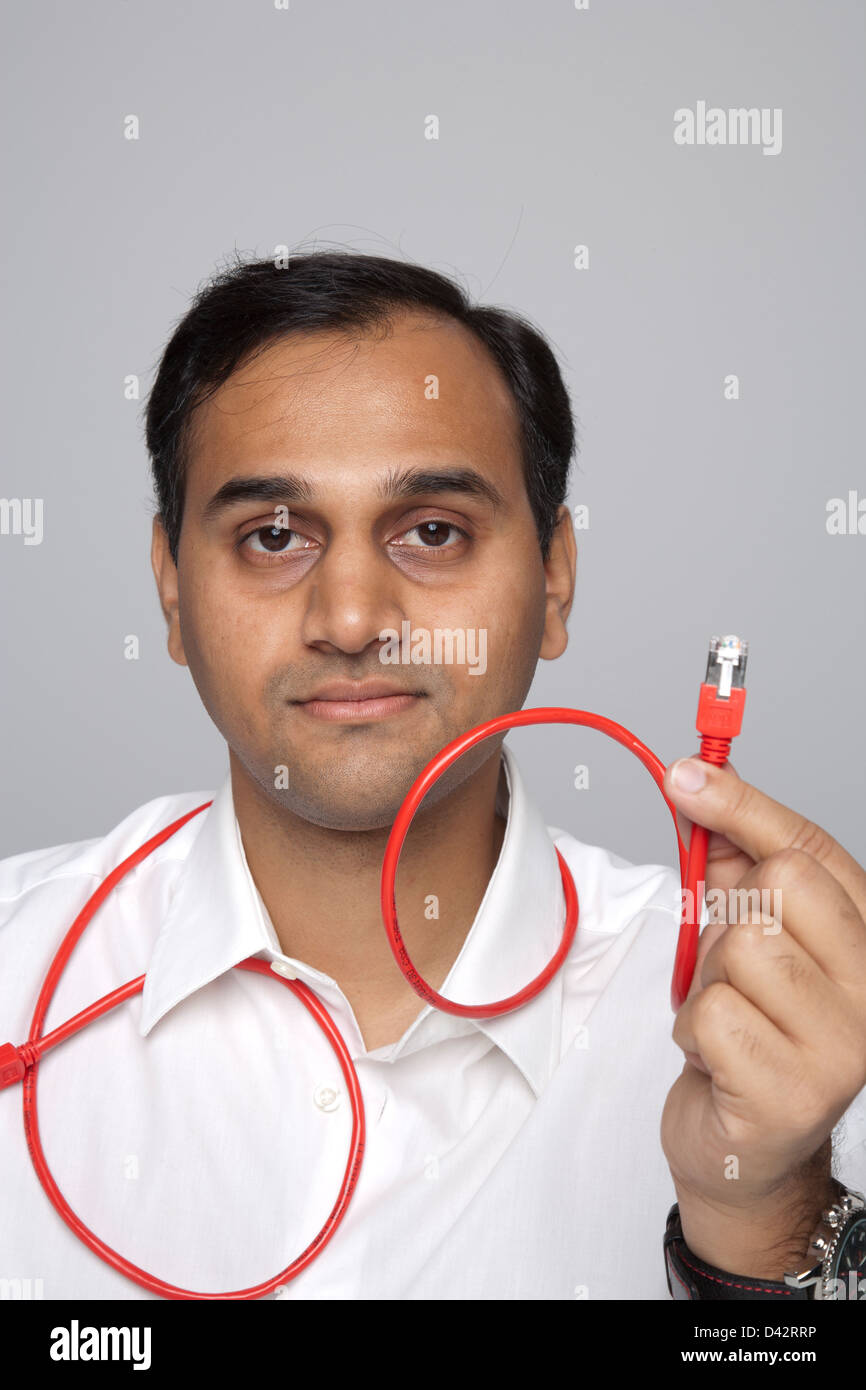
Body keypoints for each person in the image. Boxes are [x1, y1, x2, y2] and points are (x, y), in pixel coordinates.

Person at [2, 252, 865, 1301]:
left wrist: (760, 1222)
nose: (352, 620)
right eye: (272, 536)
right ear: (172, 592)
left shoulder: (802, 1048)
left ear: (553, 578)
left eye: (432, 532)